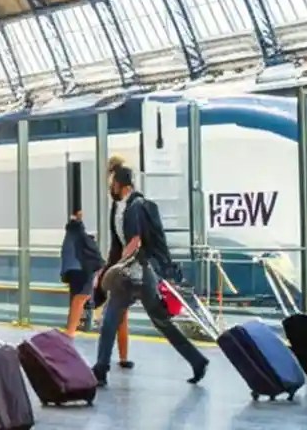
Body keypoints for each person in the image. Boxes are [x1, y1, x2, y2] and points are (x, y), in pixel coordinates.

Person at [93, 166, 208, 387]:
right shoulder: (117, 209)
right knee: (155, 321)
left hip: (138, 273)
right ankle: (197, 360)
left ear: (123, 185)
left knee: (113, 319)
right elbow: (118, 246)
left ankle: (101, 368)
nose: (111, 187)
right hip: (131, 275)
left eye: (113, 183)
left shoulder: (135, 206)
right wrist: (106, 268)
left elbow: (135, 242)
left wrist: (116, 267)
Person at [99, 153, 133, 368]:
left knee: (117, 314)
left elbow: (120, 242)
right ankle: (121, 357)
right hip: (124, 264)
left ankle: (110, 360)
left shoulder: (121, 206)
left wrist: (113, 266)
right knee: (120, 314)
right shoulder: (125, 204)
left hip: (120, 263)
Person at [60, 210, 103, 336]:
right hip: (83, 269)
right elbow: (94, 255)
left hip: (73, 271)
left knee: (77, 299)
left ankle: (71, 329)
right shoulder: (81, 236)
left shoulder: (69, 237)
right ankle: (71, 331)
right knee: (80, 299)